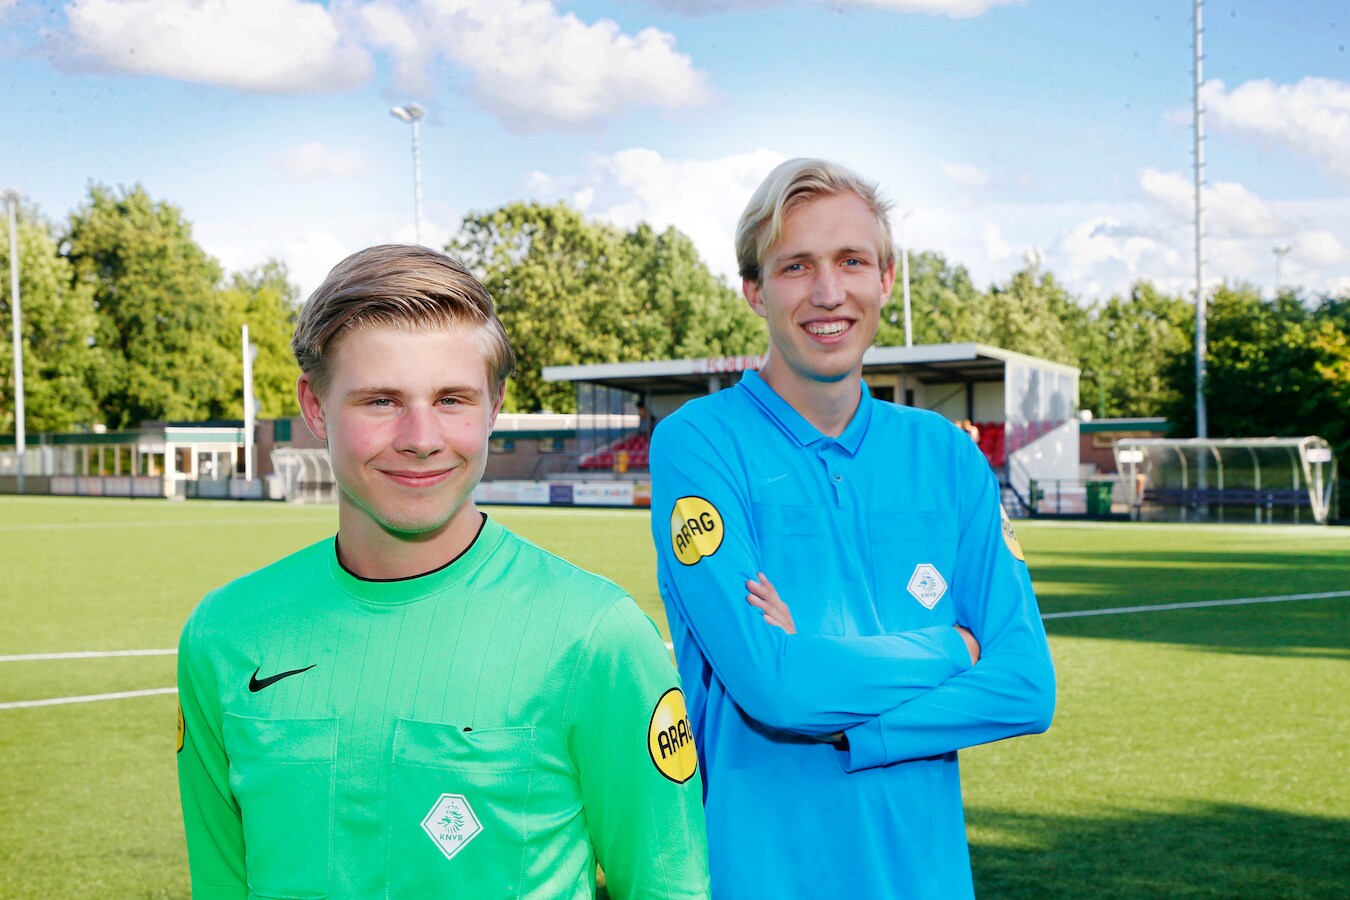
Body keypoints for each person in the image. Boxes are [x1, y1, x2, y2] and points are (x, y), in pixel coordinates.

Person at [177, 245, 709, 899]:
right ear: (314, 407)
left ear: (493, 406)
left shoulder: (597, 635)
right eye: (380, 401)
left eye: (452, 399)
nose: (421, 436)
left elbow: (669, 885)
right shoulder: (224, 633)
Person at [649, 160, 1055, 899]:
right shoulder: (699, 443)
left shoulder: (947, 455)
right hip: (761, 876)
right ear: (754, 289)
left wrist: (851, 723)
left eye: (851, 262)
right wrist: (957, 647)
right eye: (796, 265)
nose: (828, 292)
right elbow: (773, 689)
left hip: (926, 878)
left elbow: (1026, 686)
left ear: (887, 279)